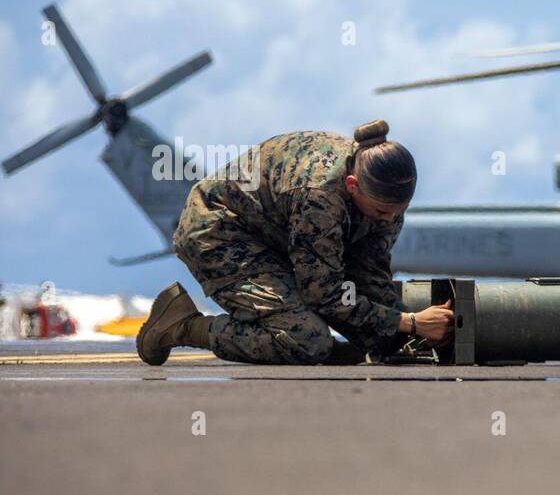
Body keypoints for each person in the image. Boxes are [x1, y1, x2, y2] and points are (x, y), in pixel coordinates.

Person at [136, 120, 453, 365]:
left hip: (276, 235)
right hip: (221, 233)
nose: (388, 220)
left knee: (376, 334)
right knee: (305, 339)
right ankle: (180, 325)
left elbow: (369, 272)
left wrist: (394, 340)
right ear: (353, 186)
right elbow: (325, 295)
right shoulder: (319, 200)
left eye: (399, 212)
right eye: (382, 212)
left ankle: (324, 349)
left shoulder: (380, 191)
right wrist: (409, 322)